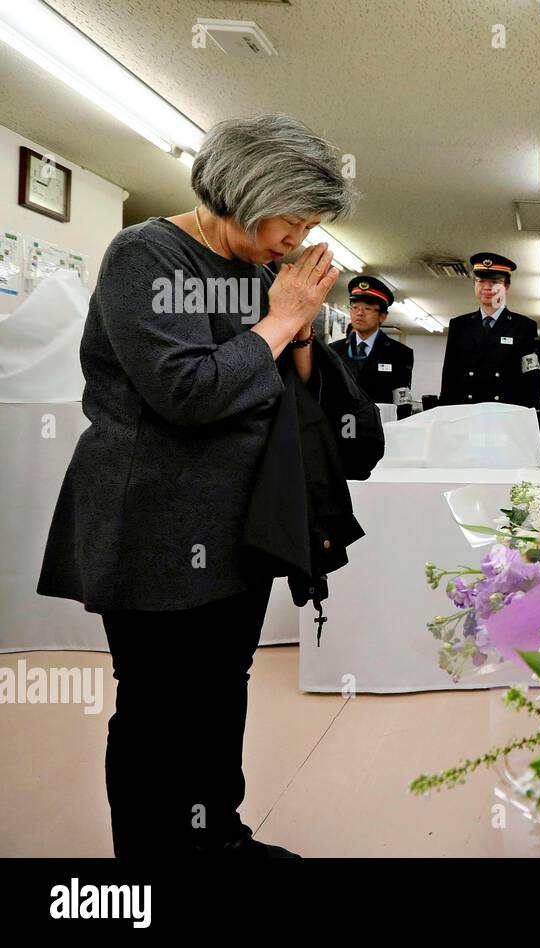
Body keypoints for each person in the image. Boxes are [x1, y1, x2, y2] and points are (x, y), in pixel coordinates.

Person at [36, 112, 362, 859]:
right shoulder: (145, 256)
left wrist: (300, 330)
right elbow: (186, 392)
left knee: (220, 691)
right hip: (154, 522)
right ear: (250, 189)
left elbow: (296, 400)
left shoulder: (258, 278)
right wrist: (280, 322)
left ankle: (218, 835)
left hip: (239, 526)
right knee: (160, 709)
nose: (300, 235)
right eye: (295, 215)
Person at [439, 252, 540, 455]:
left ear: (506, 286)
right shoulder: (460, 325)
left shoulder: (523, 326)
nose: (487, 287)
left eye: (495, 282)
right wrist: (444, 418)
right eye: (481, 281)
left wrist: (533, 421)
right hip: (467, 418)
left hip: (506, 419)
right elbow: (450, 376)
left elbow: (530, 380)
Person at [328, 275, 415, 405]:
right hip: (341, 422)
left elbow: (402, 401)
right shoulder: (334, 350)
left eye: (367, 309)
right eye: (355, 307)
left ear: (382, 316)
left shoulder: (400, 354)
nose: (360, 313)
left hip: (380, 423)